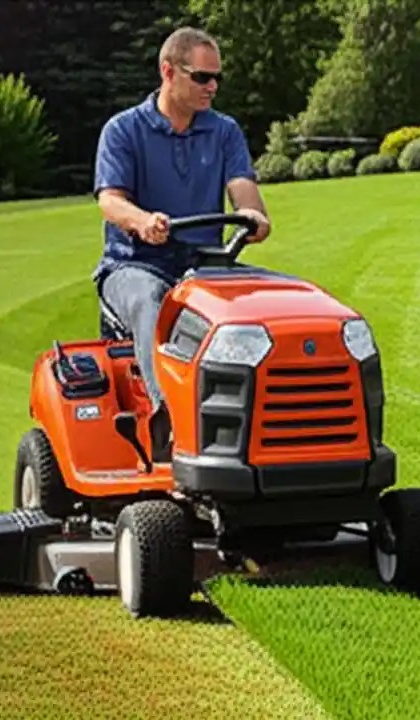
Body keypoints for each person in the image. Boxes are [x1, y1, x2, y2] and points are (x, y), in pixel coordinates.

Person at [92, 26, 271, 460]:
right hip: (133, 264)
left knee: (274, 299)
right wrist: (143, 221)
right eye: (202, 78)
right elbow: (110, 202)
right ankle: (168, 419)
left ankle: (272, 424)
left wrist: (252, 216)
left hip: (203, 265)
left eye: (217, 79)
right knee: (154, 300)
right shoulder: (124, 131)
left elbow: (244, 191)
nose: (212, 87)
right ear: (168, 71)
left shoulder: (223, 131)